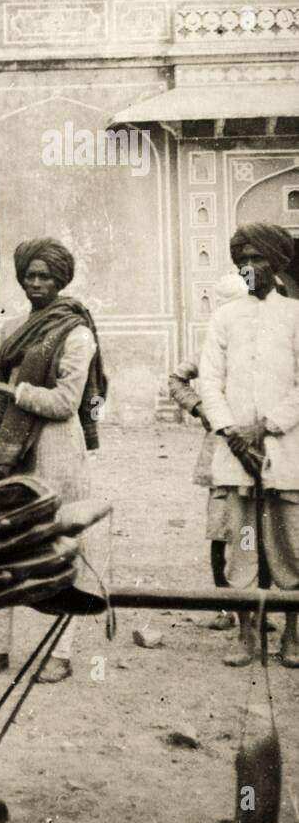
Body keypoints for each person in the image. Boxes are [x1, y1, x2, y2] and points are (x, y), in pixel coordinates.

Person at [0, 238, 108, 684]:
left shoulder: (76, 332)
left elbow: (65, 402)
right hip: (14, 452)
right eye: (30, 275)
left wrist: (10, 392)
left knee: (58, 545)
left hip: (57, 450)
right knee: (3, 545)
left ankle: (60, 654)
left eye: (45, 276)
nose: (36, 283)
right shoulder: (15, 330)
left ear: (60, 279)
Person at [197, 222, 299, 668]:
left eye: (259, 259)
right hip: (234, 454)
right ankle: (246, 636)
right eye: (244, 260)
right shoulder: (224, 318)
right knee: (242, 543)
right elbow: (209, 382)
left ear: (277, 263)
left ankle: (292, 636)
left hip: (286, 452)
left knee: (290, 546)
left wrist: (267, 426)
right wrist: (231, 431)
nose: (250, 267)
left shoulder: (295, 316)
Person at [166, 270, 250, 634]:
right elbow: (176, 379)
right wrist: (201, 409)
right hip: (220, 451)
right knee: (219, 531)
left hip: (257, 449)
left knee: (255, 530)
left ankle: (254, 608)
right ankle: (224, 605)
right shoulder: (209, 346)